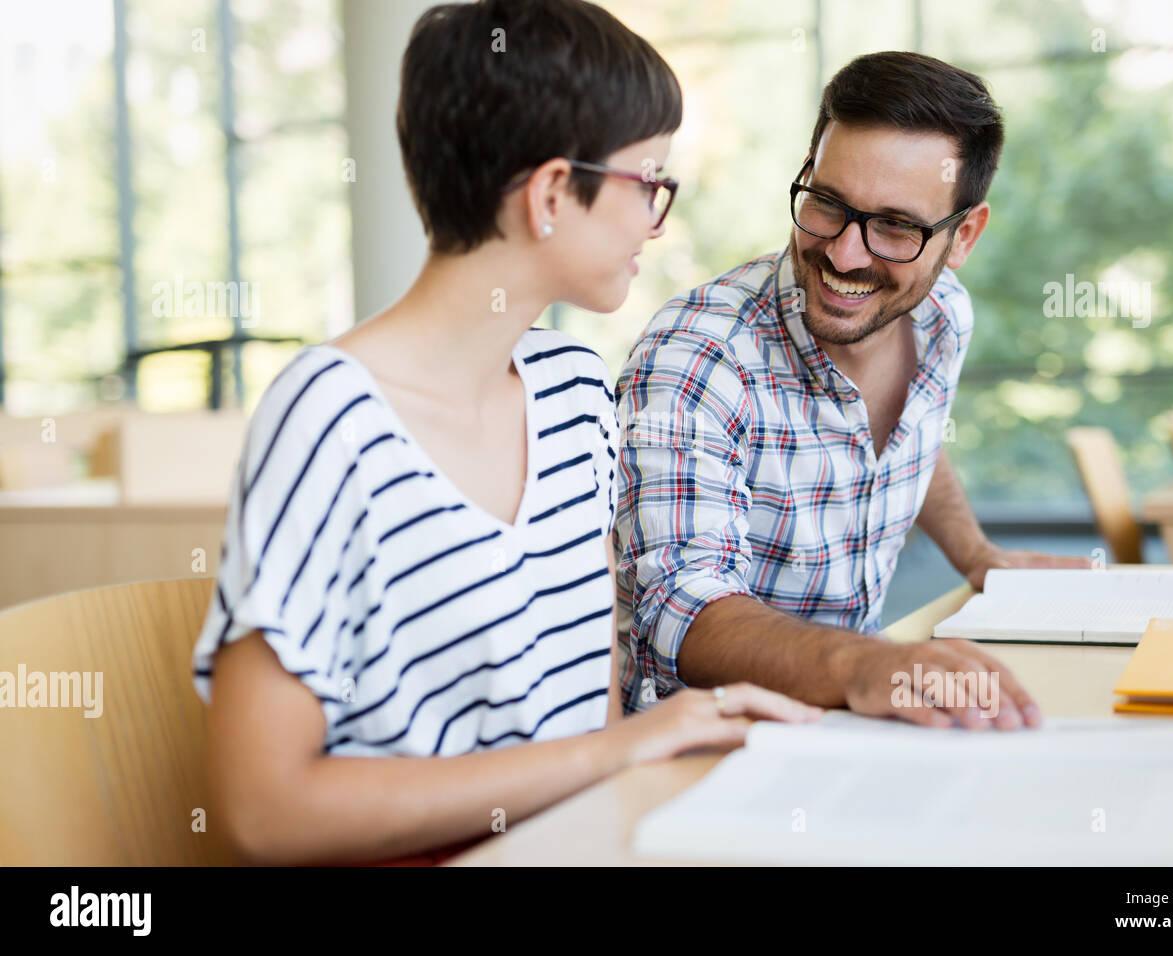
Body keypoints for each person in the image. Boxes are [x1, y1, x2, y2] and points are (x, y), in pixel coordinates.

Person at [192, 0, 818, 866]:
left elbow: (586, 715)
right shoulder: (328, 418)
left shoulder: (574, 393)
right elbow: (266, 812)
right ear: (554, 193)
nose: (654, 220)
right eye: (650, 183)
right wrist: (623, 749)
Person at [615, 51, 1089, 729]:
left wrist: (979, 557)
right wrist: (866, 664)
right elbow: (683, 613)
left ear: (963, 237)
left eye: (896, 226)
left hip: (857, 723)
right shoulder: (699, 356)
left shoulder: (943, 315)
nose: (844, 255)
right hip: (703, 755)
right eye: (828, 205)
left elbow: (911, 442)